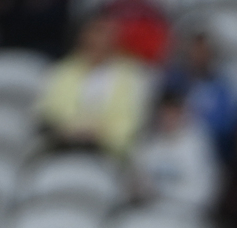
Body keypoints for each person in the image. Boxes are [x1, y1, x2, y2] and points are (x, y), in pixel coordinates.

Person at [37, 13, 152, 160]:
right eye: (95, 31)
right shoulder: (63, 71)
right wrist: (71, 131)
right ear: (83, 36)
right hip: (63, 148)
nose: (99, 39)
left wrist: (100, 136)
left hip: (109, 154)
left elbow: (131, 122)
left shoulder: (131, 76)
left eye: (105, 33)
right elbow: (47, 111)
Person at [130, 84, 218, 214]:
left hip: (186, 213)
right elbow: (136, 181)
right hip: (149, 211)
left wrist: (164, 193)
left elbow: (205, 191)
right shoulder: (146, 142)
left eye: (173, 113)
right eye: (164, 113)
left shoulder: (199, 145)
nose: (167, 118)